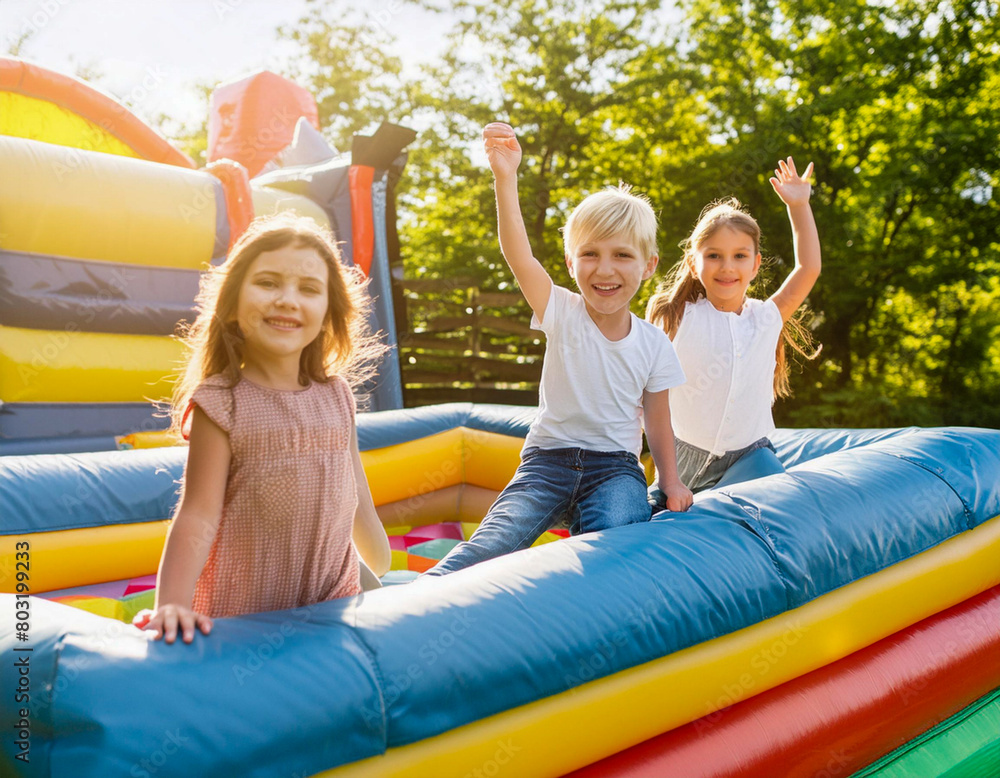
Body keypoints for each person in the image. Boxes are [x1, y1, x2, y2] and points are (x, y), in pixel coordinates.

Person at [425, 122, 690, 577]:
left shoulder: (653, 343)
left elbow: (658, 419)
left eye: (622, 255)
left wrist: (670, 481)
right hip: (547, 462)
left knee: (618, 540)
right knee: (492, 545)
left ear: (648, 266)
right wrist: (505, 177)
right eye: (590, 254)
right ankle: (413, 605)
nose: (604, 269)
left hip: (616, 469)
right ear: (571, 263)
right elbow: (518, 254)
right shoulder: (561, 310)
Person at [133, 214, 391, 644]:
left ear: (329, 313)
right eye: (268, 283)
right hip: (250, 615)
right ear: (232, 306)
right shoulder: (222, 402)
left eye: (308, 289)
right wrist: (172, 602)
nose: (288, 300)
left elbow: (352, 486)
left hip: (334, 597)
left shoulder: (336, 394)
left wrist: (379, 563)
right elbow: (198, 514)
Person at [645, 157, 821, 497]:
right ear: (694, 265)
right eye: (714, 256)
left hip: (751, 458)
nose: (727, 267)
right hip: (683, 460)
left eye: (739, 256)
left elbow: (808, 267)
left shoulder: (766, 317)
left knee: (776, 495)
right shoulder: (675, 315)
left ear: (755, 265)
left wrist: (799, 205)